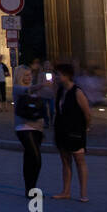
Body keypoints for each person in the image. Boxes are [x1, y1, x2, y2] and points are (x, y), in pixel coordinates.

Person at [52, 63, 92, 202]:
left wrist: (86, 127)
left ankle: (83, 193)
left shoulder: (77, 92)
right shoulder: (60, 91)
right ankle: (66, 191)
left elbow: (87, 113)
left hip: (75, 131)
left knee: (79, 160)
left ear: (66, 75)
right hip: (61, 130)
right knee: (65, 161)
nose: (56, 77)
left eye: (58, 74)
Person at [12, 66, 49, 195]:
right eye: (25, 75)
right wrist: (42, 84)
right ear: (19, 77)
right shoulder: (17, 89)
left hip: (37, 128)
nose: (28, 77)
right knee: (36, 158)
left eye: (29, 75)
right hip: (24, 127)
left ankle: (30, 188)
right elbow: (27, 90)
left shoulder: (35, 91)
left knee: (29, 158)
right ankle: (31, 189)